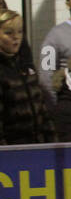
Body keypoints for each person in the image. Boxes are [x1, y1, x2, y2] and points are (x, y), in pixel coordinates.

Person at [0, 10, 54, 145]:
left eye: (19, 32)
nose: (16, 37)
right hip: (13, 151)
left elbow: (42, 110)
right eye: (8, 33)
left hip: (37, 147)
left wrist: (52, 143)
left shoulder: (25, 66)